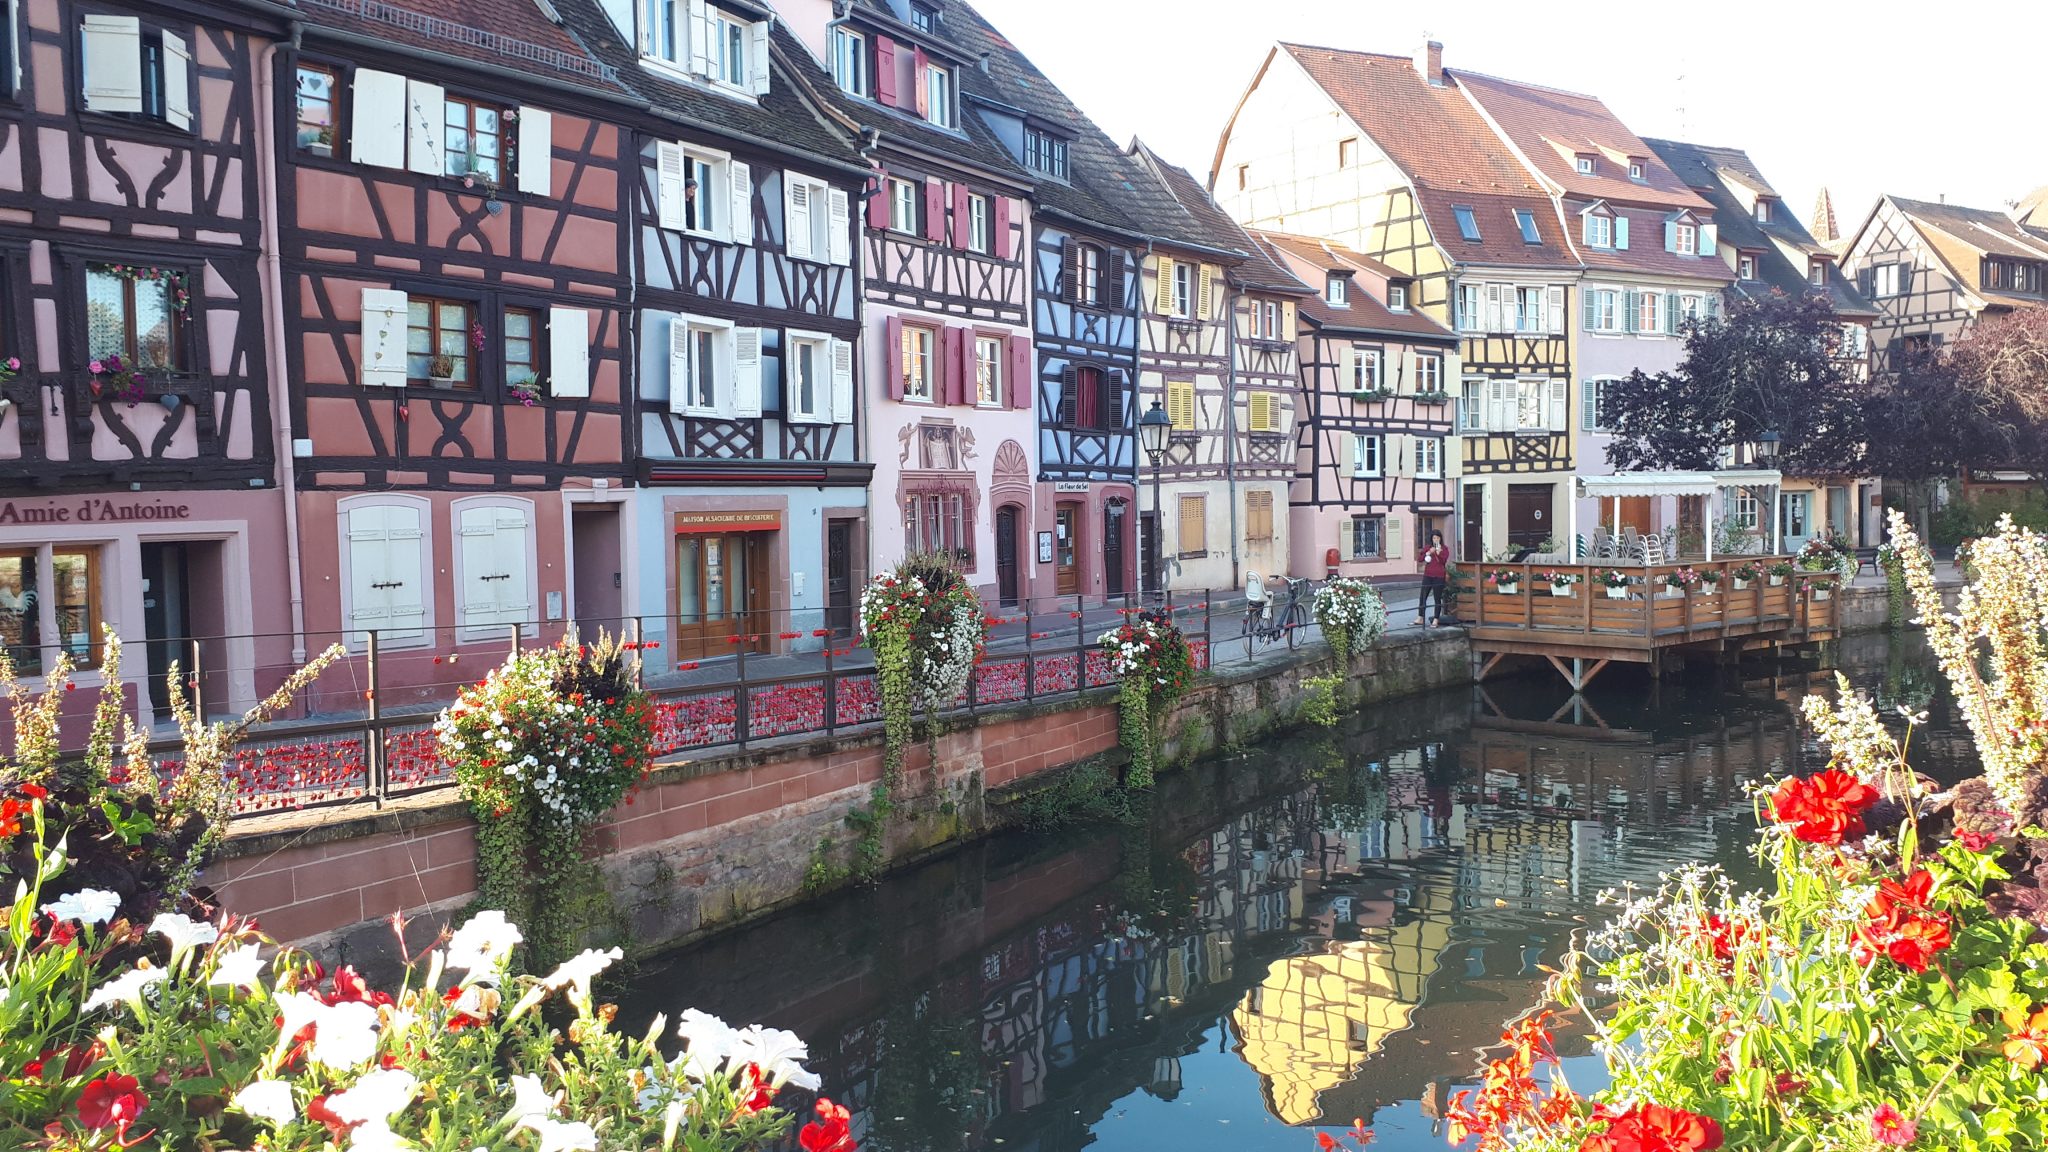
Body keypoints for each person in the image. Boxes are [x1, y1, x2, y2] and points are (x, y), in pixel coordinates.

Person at [1416, 531, 1450, 627]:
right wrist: (1428, 552)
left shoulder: (1444, 548)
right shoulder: (1428, 547)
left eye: (1438, 538)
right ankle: (1420, 617)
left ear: (1440, 539)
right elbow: (1420, 559)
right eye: (1434, 538)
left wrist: (1438, 553)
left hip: (1439, 576)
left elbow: (1444, 560)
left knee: (1437, 598)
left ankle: (1436, 619)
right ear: (1431, 539)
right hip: (1428, 575)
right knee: (1423, 596)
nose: (1436, 540)